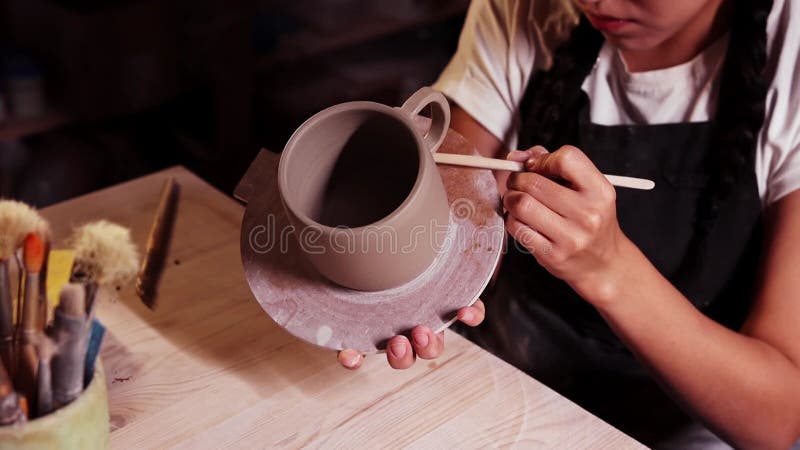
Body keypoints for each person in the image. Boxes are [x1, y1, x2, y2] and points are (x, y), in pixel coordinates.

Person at [338, 0, 800, 447]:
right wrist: (393, 295)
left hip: (688, 421)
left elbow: (776, 420)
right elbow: (453, 220)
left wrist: (608, 268)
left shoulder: (789, 49)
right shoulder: (528, 7)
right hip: (512, 359)